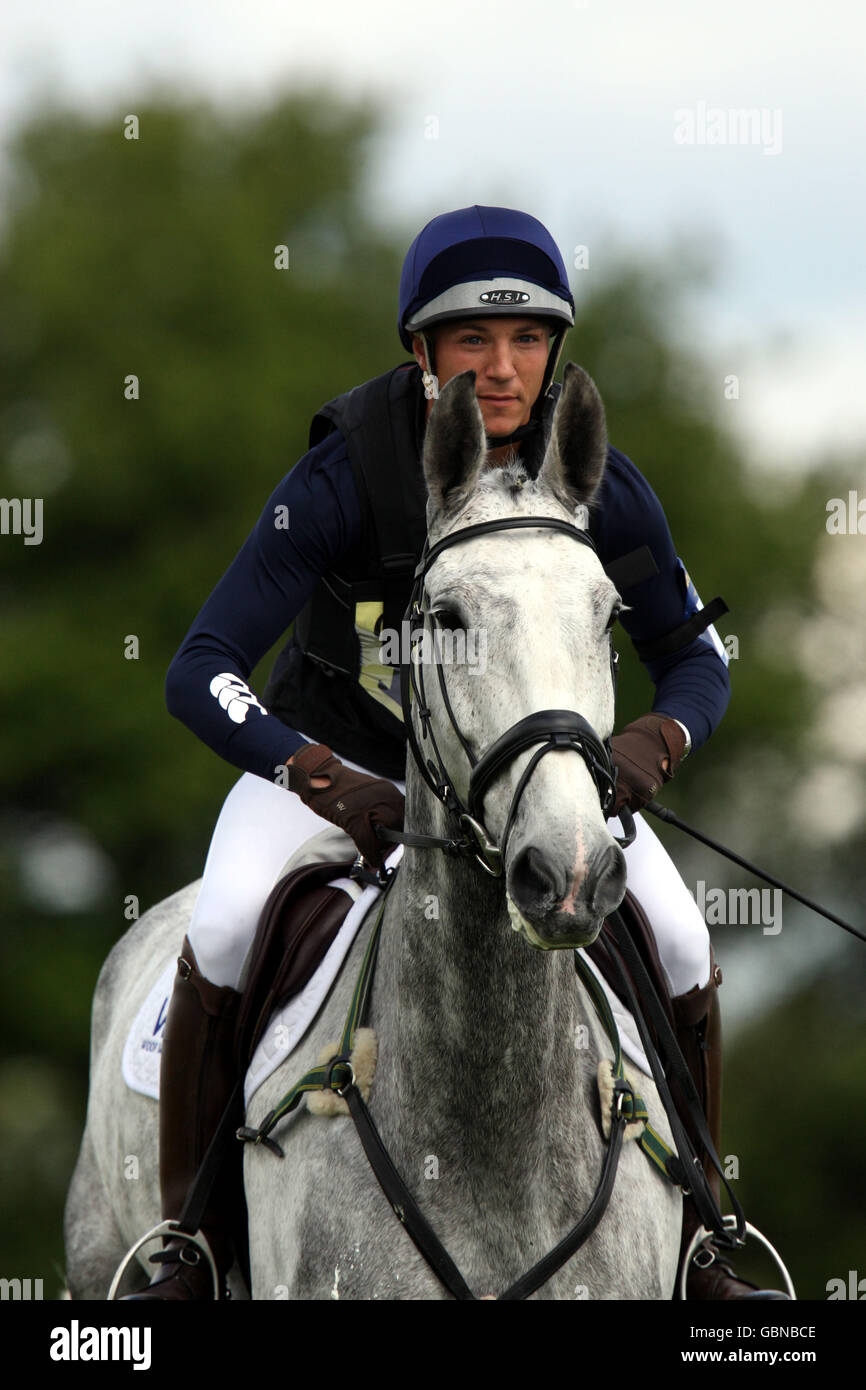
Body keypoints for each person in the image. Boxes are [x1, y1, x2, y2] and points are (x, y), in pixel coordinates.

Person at [129, 205, 753, 1301]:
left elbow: (696, 661)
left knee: (682, 934)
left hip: (536, 779)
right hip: (336, 771)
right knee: (222, 923)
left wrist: (651, 741)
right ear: (420, 350)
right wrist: (319, 776)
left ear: (555, 347)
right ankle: (194, 1242)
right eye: (472, 338)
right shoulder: (345, 477)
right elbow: (201, 666)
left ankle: (702, 1240)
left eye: (527, 339)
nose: (501, 368)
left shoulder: (599, 485)